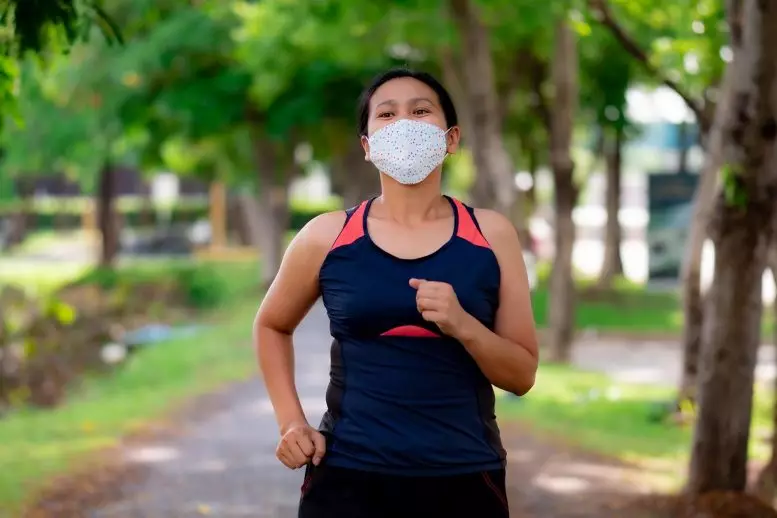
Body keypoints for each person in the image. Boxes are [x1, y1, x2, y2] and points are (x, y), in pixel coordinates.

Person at [254, 67, 539, 518]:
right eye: (386, 114)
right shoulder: (327, 236)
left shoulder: (491, 234)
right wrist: (291, 421)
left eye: (421, 110)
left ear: (451, 139)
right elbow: (271, 324)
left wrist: (464, 325)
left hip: (465, 477)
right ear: (367, 147)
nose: (404, 124)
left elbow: (522, 375)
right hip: (347, 478)